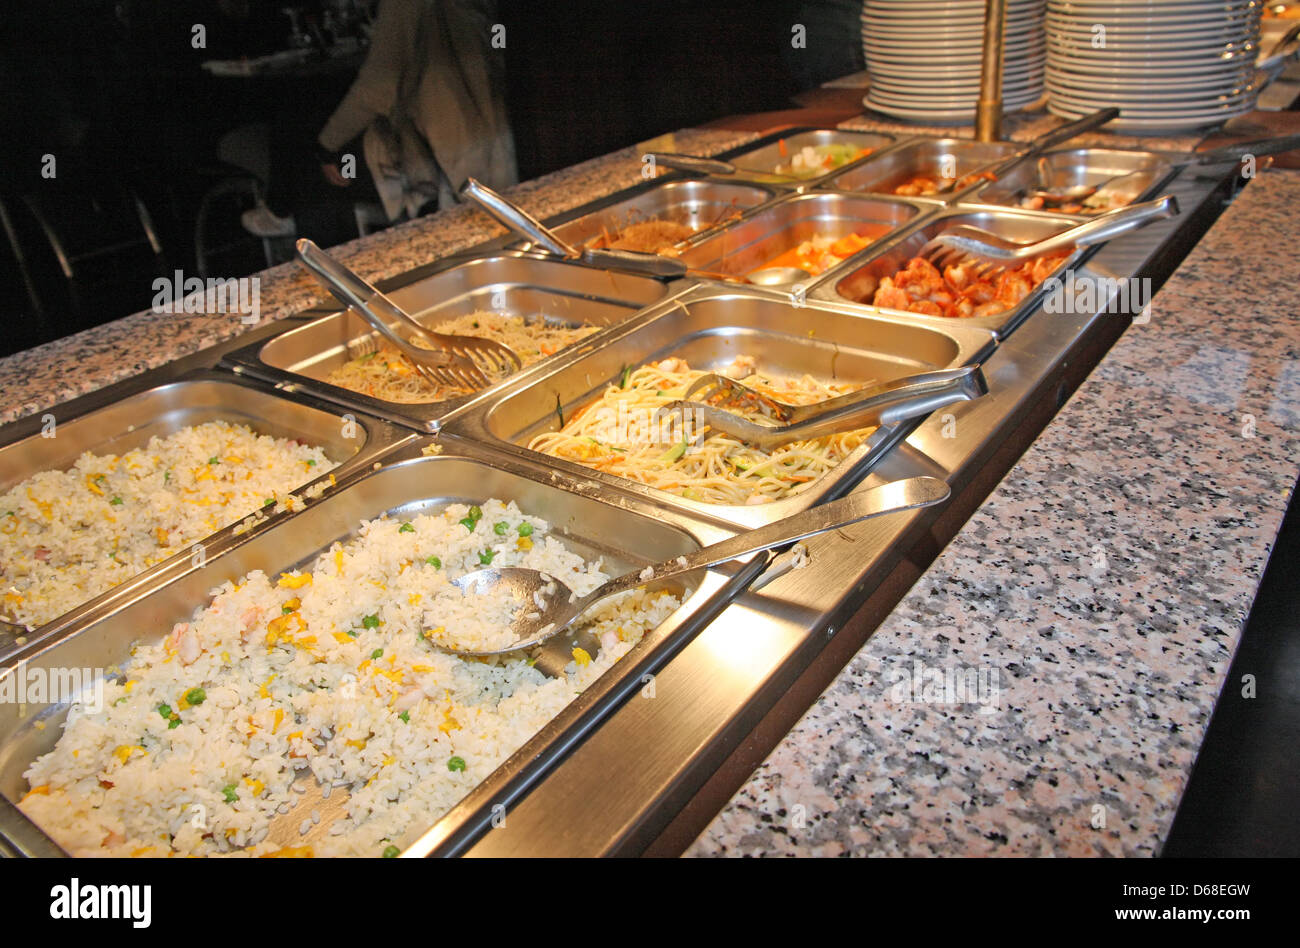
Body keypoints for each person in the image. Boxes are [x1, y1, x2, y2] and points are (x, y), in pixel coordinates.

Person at [243, 0, 517, 238]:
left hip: (438, 156)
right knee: (314, 134)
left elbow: (377, 88)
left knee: (312, 158)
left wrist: (326, 146)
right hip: (492, 139)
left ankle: (312, 254)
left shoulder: (403, 5)